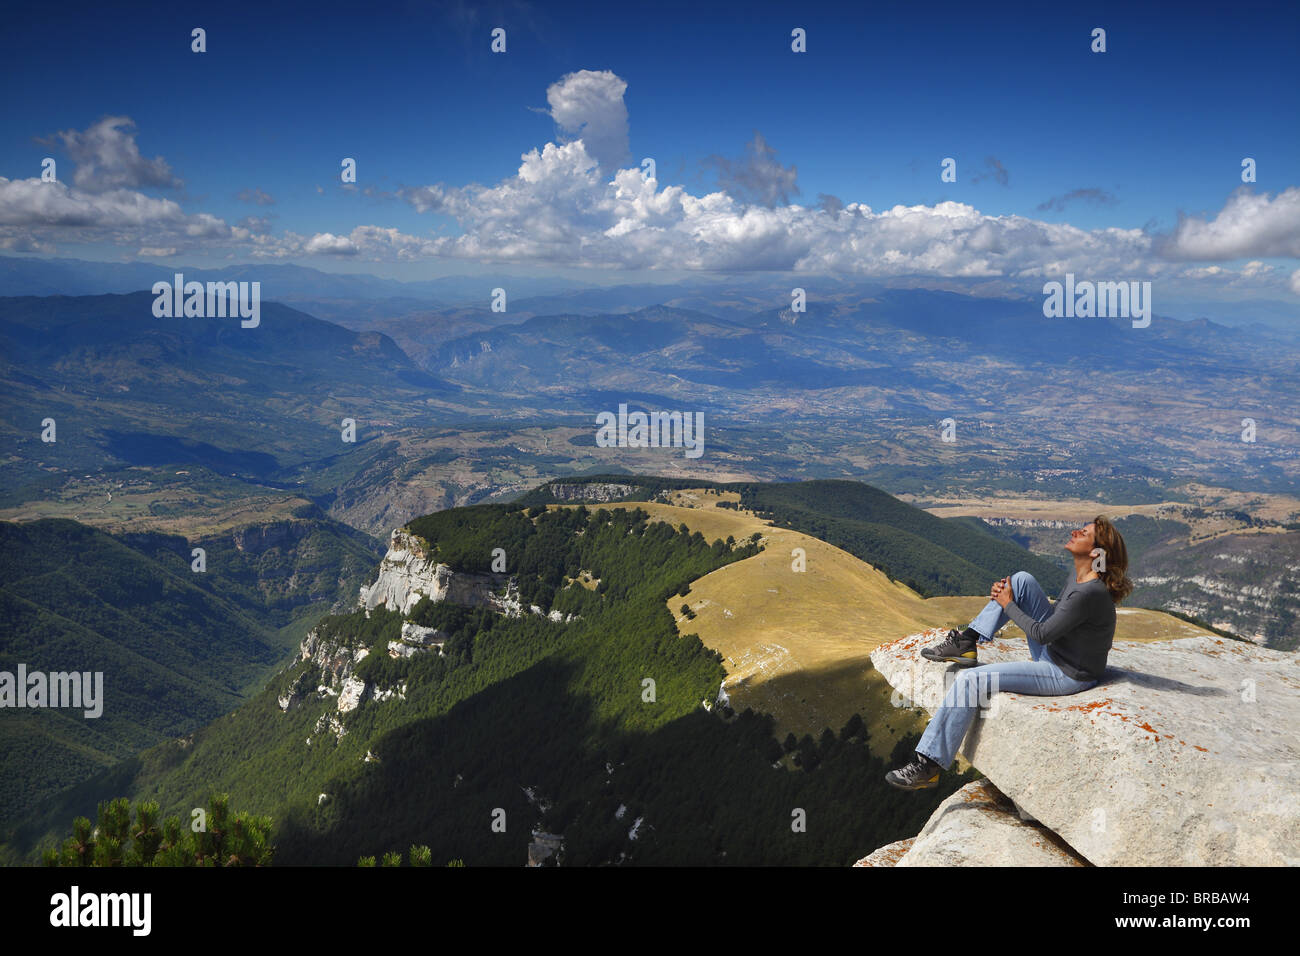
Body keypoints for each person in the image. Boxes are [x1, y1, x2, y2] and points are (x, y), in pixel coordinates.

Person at [885, 516, 1133, 790]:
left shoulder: (1090, 592)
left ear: (1096, 552)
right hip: (1056, 652)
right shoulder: (1079, 576)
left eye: (1084, 533)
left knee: (970, 681)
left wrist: (1008, 604)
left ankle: (928, 765)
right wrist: (1010, 595)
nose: (1075, 531)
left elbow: (1041, 634)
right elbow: (1058, 619)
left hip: (1066, 674)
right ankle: (968, 640)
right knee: (1022, 580)